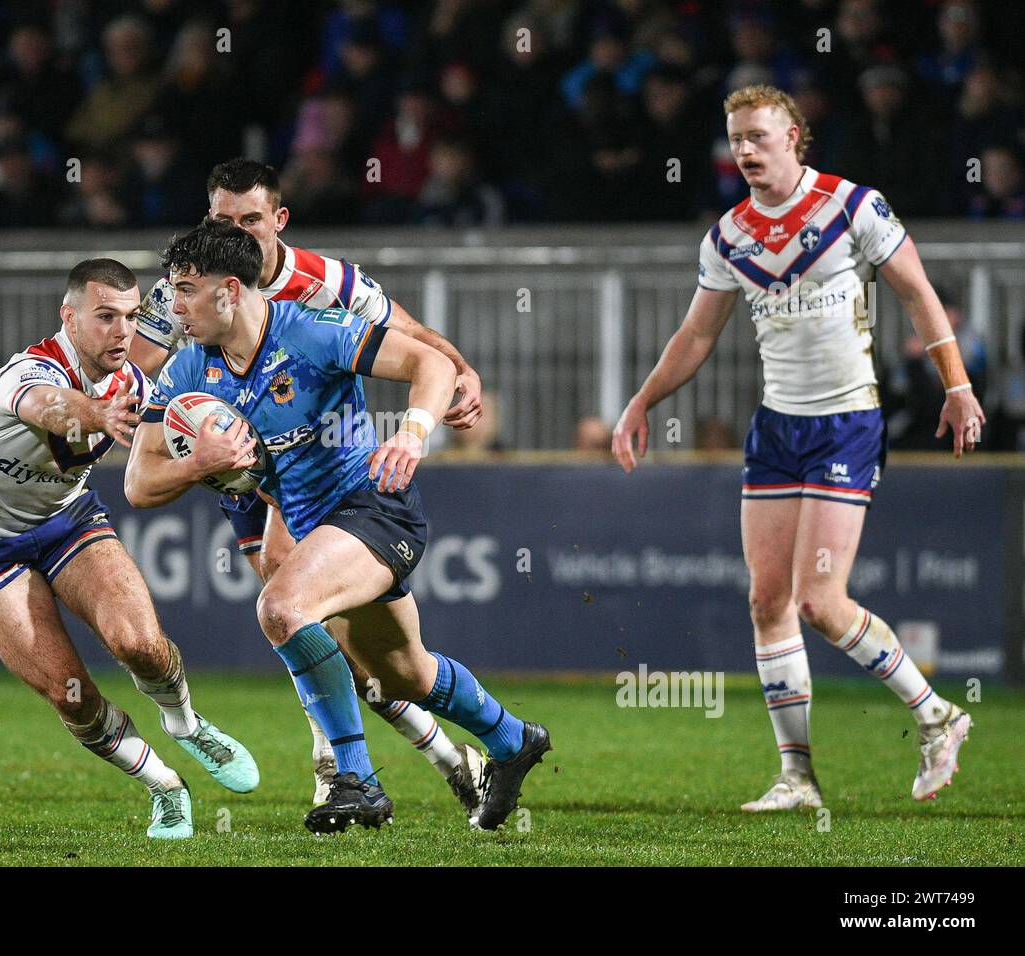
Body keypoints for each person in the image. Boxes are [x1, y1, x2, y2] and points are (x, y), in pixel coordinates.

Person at [612, 85, 983, 810]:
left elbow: (917, 293)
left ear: (793, 138)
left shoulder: (852, 208)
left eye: (756, 136)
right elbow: (695, 336)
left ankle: (936, 713)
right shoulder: (728, 235)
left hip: (846, 422)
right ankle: (798, 778)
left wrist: (958, 384)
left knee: (820, 601)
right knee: (767, 600)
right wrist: (641, 401)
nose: (744, 150)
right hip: (778, 428)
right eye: (735, 139)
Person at [125, 220, 550, 832]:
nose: (173, 305)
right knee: (403, 672)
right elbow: (139, 484)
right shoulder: (188, 370)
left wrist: (411, 433)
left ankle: (355, 780)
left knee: (281, 609)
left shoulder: (307, 329)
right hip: (316, 528)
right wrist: (200, 464)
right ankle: (513, 740)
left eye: (185, 289)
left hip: (376, 510)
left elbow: (430, 362)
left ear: (229, 291)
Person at [0, 258, 258, 840]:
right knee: (69, 692)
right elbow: (44, 407)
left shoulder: (133, 380)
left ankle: (185, 725)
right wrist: (95, 412)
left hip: (65, 522)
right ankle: (165, 787)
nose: (121, 331)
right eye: (105, 317)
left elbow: (157, 457)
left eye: (130, 318)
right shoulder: (29, 371)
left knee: (142, 645)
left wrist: (204, 458)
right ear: (70, 316)